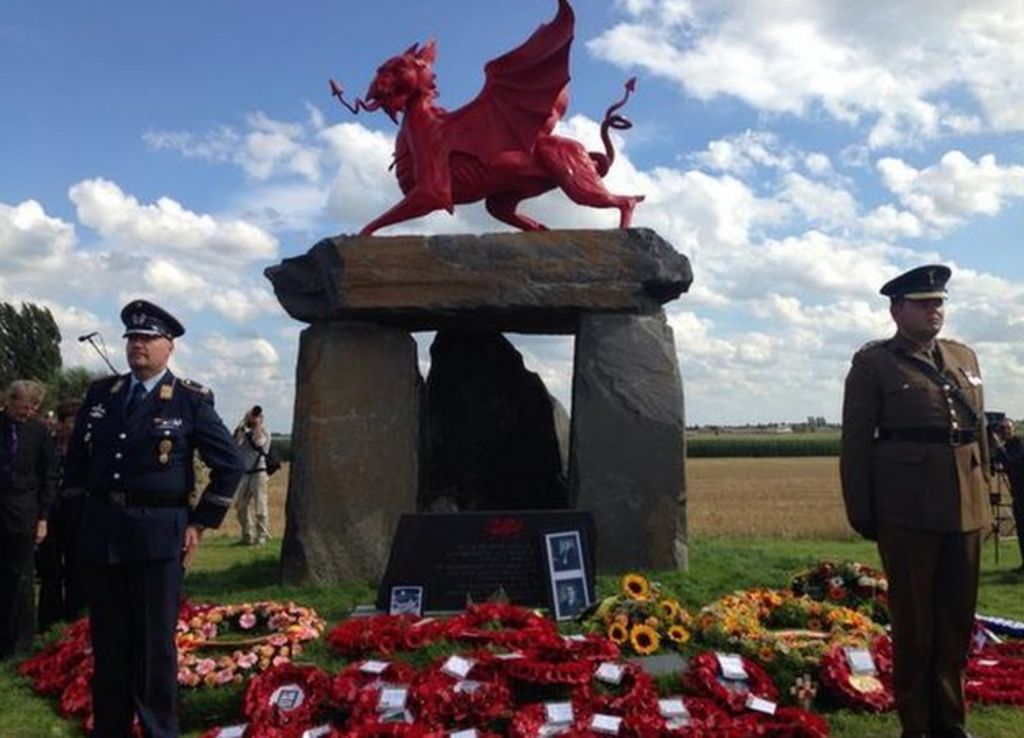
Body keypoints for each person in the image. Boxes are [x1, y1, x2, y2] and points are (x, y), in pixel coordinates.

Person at [63, 299, 244, 738]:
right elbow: (77, 465)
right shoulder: (102, 395)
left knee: (153, 649)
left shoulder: (189, 399)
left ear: (169, 347)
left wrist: (199, 524)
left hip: (158, 536)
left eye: (147, 339)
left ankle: (158, 730)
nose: (137, 346)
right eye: (132, 339)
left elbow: (230, 464)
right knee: (109, 644)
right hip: (103, 532)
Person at [840, 264, 989, 738]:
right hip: (906, 508)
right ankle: (917, 725)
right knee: (915, 623)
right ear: (897, 309)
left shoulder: (963, 356)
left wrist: (982, 494)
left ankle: (952, 720)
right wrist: (862, 511)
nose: (935, 311)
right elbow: (857, 442)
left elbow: (978, 431)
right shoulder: (875, 363)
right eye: (924, 303)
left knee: (956, 621)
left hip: (964, 507)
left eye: (939, 302)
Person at [0, 380, 58, 659]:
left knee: (21, 577)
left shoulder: (38, 432)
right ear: (9, 401)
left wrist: (43, 517)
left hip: (24, 509)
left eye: (33, 408)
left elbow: (49, 475)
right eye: (23, 407)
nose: (28, 412)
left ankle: (20, 643)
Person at [36, 400, 87, 630]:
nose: (73, 427)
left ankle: (74, 619)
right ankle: (48, 622)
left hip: (78, 510)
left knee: (77, 566)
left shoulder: (87, 449)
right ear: (60, 423)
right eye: (69, 423)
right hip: (51, 511)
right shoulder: (48, 445)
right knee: (50, 569)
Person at [233, 405, 271, 546]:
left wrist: (257, 426)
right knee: (240, 505)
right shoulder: (243, 432)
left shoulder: (264, 432)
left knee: (260, 505)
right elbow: (235, 443)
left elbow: (259, 442)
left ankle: (261, 536)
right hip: (245, 473)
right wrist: (243, 423)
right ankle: (247, 534)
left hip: (259, 472)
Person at [991, 417, 1024, 571]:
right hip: (1017, 494)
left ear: (1013, 430)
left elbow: (1012, 464)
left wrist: (999, 448)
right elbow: (997, 464)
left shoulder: (1019, 445)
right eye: (1002, 429)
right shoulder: (1007, 447)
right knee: (1021, 532)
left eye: (1008, 428)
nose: (1005, 431)